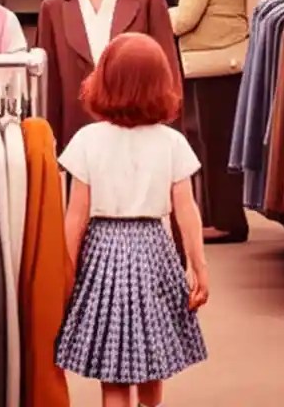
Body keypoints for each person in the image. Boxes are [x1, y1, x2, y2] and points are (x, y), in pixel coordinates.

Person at [54, 32, 210, 407]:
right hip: (154, 250)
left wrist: (65, 274)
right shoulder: (171, 142)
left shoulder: (88, 140)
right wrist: (198, 266)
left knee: (113, 369)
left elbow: (75, 217)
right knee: (153, 358)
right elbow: (187, 210)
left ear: (104, 81)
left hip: (102, 253)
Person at [35, 0, 181, 151]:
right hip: (76, 143)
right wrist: (50, 150)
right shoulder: (53, 8)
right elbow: (47, 89)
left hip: (139, 138)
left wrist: (168, 146)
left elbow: (169, 79)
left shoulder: (149, 1)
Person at [169, 0, 274, 244]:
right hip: (230, 56)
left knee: (214, 143)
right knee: (221, 141)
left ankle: (225, 222)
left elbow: (188, 13)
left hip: (209, 58)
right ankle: (222, 219)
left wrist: (155, 17)